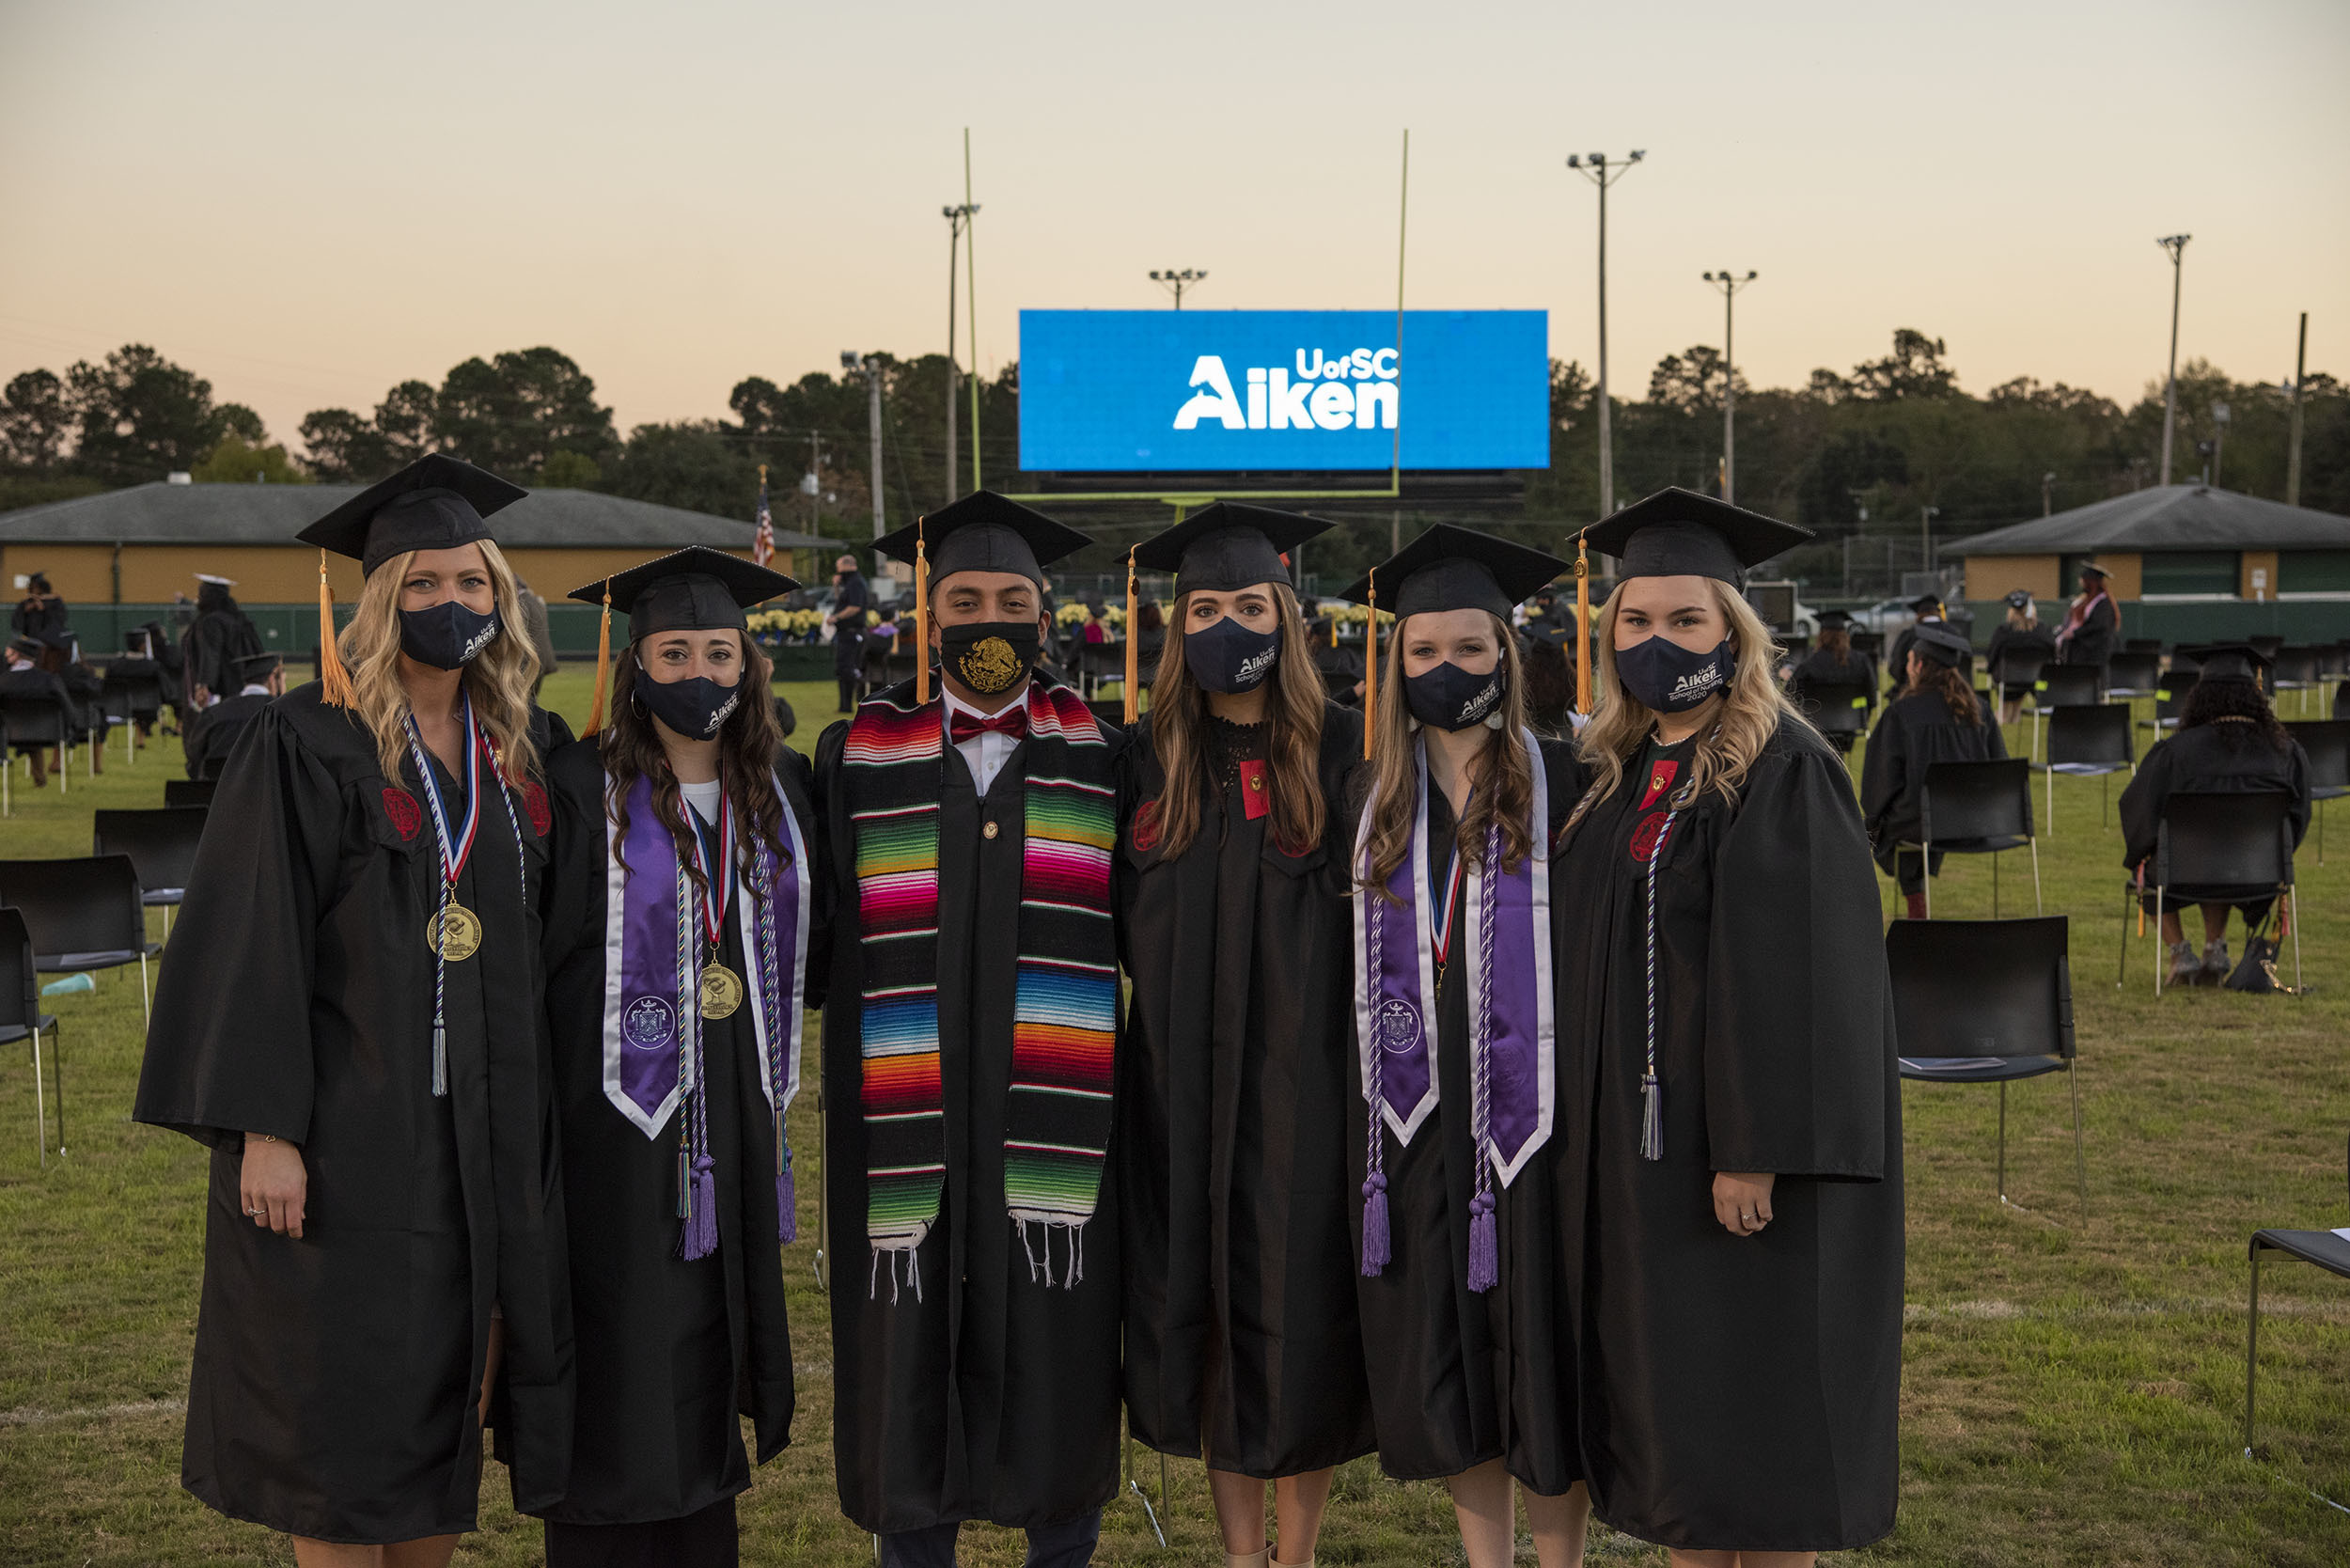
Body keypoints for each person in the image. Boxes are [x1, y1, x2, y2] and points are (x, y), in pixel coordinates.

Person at [133, 454, 573, 1568]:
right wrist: (263, 1130)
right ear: (378, 603)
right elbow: (248, 935)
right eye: (421, 586)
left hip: (478, 1132)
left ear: (502, 599)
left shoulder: (519, 759)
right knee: (338, 1421)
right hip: (345, 1136)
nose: (451, 605)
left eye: (473, 585)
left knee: (443, 1409)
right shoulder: (307, 741)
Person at [1555, 488, 1903, 1564]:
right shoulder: (1615, 776)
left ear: (1735, 631)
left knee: (1757, 1422)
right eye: (1635, 623)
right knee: (1680, 1427)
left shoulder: (1780, 769)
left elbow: (1800, 979)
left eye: (1685, 621)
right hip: (1641, 1159)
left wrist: (1751, 1154)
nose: (1657, 643)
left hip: (1739, 1163)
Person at [816, 492, 1125, 1566]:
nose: (985, 621)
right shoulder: (853, 755)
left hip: (1056, 1111)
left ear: (1047, 618)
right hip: (902, 1111)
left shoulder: (1103, 754)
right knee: (906, 1345)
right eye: (963, 599)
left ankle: (1061, 1544)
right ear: (924, 611)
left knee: (1056, 1328)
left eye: (1010, 600)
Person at [536, 547, 818, 1565]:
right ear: (637, 664)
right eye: (674, 650)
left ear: (747, 664)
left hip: (734, 1121)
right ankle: (602, 1532)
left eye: (718, 649)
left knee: (712, 1331)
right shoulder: (576, 785)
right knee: (619, 1326)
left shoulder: (782, 789)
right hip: (609, 1116)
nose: (699, 670)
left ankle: (706, 1523)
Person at [1117, 505, 1373, 1568]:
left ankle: (1299, 1549)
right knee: (1208, 1309)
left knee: (1299, 1305)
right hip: (1176, 1085)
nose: (1229, 624)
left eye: (1248, 604)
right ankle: (1237, 1551)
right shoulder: (1143, 758)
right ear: (1178, 628)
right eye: (1206, 607)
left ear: (1288, 616)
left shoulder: (1350, 746)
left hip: (1306, 1084)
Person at [1339, 525, 1590, 1568]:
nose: (1448, 672)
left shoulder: (1573, 782)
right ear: (1395, 667)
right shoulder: (1370, 801)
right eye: (1424, 653)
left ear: (1508, 658)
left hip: (1542, 1127)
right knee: (1448, 1363)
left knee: (1544, 1358)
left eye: (1471, 652)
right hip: (1415, 1130)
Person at [2119, 645, 2312, 987]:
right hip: (2260, 873)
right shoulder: (2286, 753)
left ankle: (2180, 953)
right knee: (2223, 854)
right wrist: (2272, 856)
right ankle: (2215, 948)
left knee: (2148, 869)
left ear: (2200, 697)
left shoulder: (2175, 752)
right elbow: (2299, 817)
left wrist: (2145, 851)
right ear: (2255, 696)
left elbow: (2139, 811)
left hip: (2183, 872)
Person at [1861, 623, 2008, 919]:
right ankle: (1918, 905)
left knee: (1883, 826)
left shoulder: (1900, 713)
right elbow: (2000, 769)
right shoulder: (1979, 709)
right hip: (1978, 821)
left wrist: (1872, 818)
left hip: (1920, 822)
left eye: (1909, 660)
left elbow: (1880, 783)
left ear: (1918, 666)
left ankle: (1917, 908)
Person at [183, 651, 286, 780]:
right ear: (272, 678)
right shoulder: (281, 714)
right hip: (265, 795)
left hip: (217, 794)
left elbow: (194, 755)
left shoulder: (214, 713)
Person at [1785, 609, 1876, 752]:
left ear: (1821, 636)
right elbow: (1872, 698)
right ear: (1845, 635)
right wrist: (1857, 713)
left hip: (1816, 725)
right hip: (1851, 723)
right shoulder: (1862, 662)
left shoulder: (1809, 665)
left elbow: (1789, 696)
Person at [182, 572, 266, 710]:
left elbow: (211, 654)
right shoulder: (237, 618)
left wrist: (204, 684)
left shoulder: (211, 621)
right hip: (245, 681)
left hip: (224, 686)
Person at [2, 633, 70, 787]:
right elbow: (67, 707)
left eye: (8, 651)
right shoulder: (49, 680)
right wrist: (68, 729)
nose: (5, 655)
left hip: (9, 735)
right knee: (32, 726)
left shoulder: (3, 682)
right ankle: (40, 779)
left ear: (17, 654)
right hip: (45, 733)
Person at [1983, 589, 2056, 725]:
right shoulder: (2042, 631)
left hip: (2006, 680)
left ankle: (2005, 715)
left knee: (2013, 678)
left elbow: (1991, 655)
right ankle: (2014, 714)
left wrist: (1991, 669)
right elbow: (2053, 654)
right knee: (2026, 678)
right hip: (2037, 683)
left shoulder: (2004, 632)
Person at [2051, 560, 2117, 673]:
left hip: (2095, 651)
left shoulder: (2103, 603)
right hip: (2084, 651)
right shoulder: (2086, 601)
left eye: (2083, 580)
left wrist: (2075, 633)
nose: (2080, 583)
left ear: (2090, 582)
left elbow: (2099, 625)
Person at [828, 553, 870, 713]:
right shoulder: (850, 583)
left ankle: (847, 705)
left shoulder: (856, 583)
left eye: (839, 568)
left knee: (847, 668)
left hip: (852, 633)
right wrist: (836, 587)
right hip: (845, 632)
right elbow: (842, 602)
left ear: (847, 566)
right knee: (842, 668)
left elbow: (855, 607)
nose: (838, 573)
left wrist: (835, 617)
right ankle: (844, 705)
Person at [1882, 592, 1945, 684]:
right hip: (1946, 692)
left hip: (1913, 689)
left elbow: (1895, 667)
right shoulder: (1952, 634)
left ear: (1918, 615)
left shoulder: (1909, 635)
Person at [514, 574, 560, 699]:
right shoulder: (536, 600)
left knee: (524, 702)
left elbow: (516, 633)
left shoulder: (520, 603)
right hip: (542, 659)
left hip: (528, 662)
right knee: (531, 701)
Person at [12, 570, 68, 644]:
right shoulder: (26, 602)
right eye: (32, 587)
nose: (34, 589)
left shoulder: (55, 601)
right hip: (30, 638)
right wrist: (25, 611)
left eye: (36, 587)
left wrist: (44, 610)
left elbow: (59, 620)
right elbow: (17, 622)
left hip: (48, 640)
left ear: (43, 587)